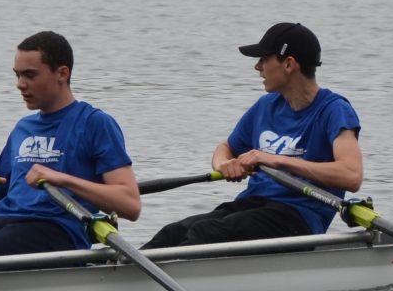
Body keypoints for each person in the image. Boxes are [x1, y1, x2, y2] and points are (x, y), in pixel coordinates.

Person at [0, 31, 141, 263]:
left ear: (62, 73)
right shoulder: (23, 127)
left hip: (53, 230)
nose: (20, 85)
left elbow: (130, 204)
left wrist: (62, 179)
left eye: (30, 75)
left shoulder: (95, 123)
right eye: (18, 75)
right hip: (0, 223)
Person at [146, 22, 362, 248]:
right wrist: (224, 164)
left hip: (297, 218)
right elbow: (226, 147)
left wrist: (275, 160)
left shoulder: (334, 110)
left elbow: (351, 175)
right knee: (172, 233)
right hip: (252, 206)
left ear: (288, 64)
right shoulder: (265, 106)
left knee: (204, 234)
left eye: (264, 59)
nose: (257, 67)